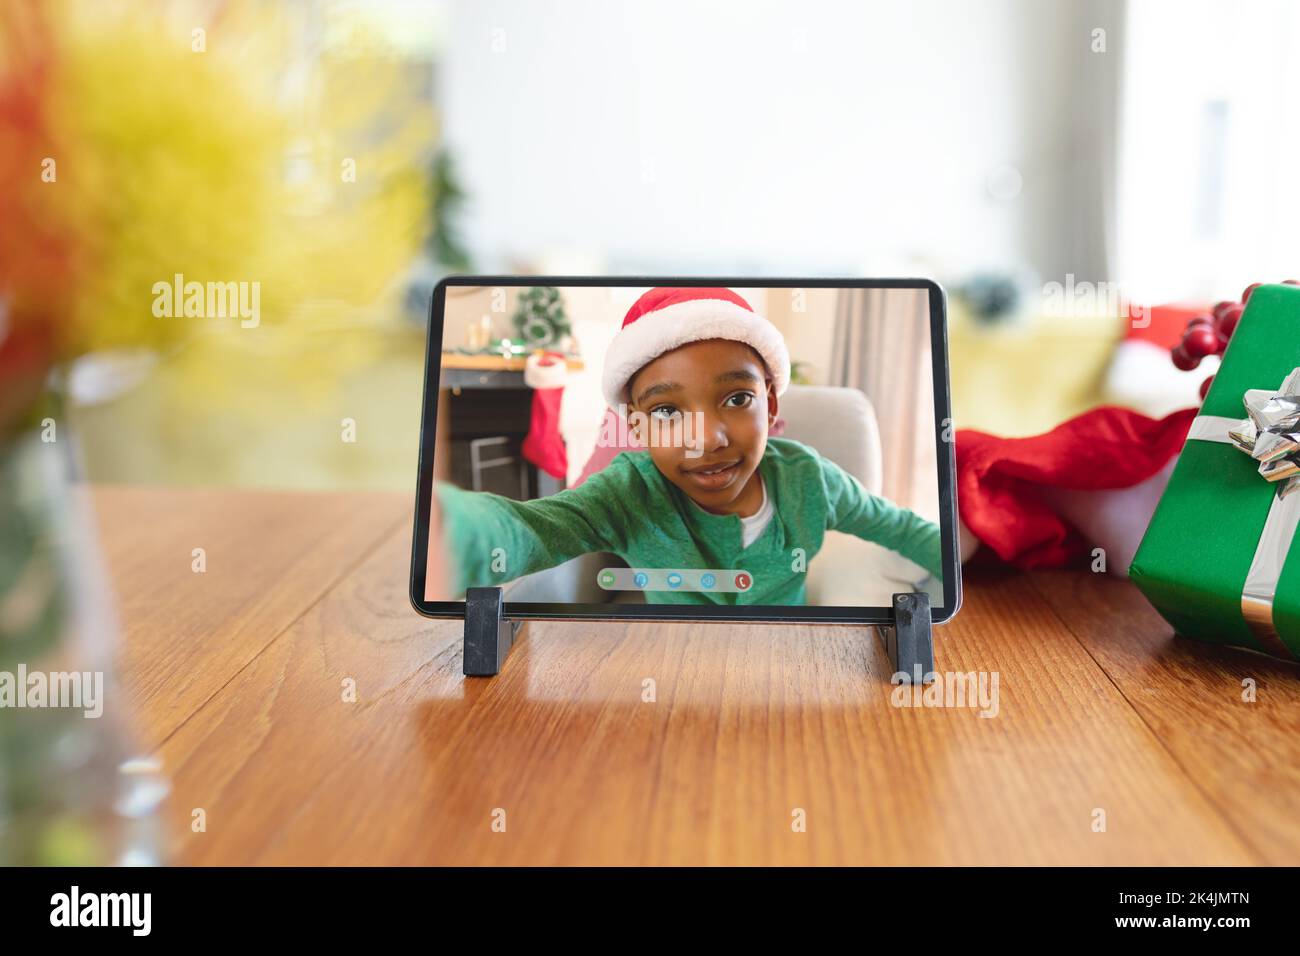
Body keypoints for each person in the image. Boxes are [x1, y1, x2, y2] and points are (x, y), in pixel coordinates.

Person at [436, 287, 941, 605]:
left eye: (738, 398)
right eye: (667, 412)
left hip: (791, 668)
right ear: (638, 426)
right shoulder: (629, 491)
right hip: (674, 676)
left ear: (768, 401)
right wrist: (447, 528)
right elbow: (534, 529)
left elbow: (901, 528)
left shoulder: (811, 480)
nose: (707, 438)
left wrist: (965, 581)